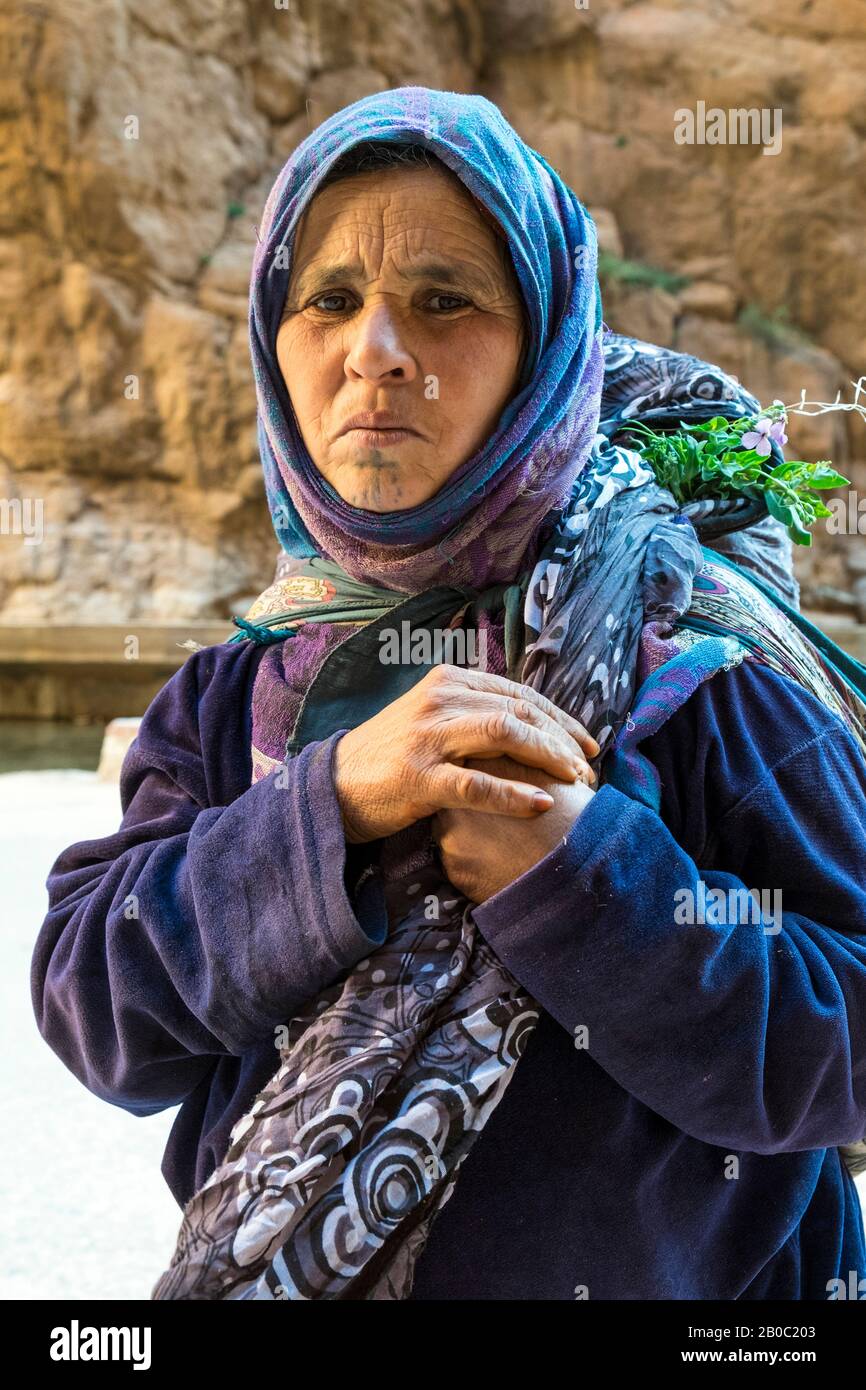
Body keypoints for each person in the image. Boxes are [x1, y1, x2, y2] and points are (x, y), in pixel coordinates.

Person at [32, 87, 866, 1301]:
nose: (374, 351)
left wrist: (589, 881)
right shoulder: (235, 694)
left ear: (544, 345)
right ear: (276, 343)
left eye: (442, 300)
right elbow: (99, 1012)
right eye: (328, 301)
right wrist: (327, 814)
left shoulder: (700, 669)